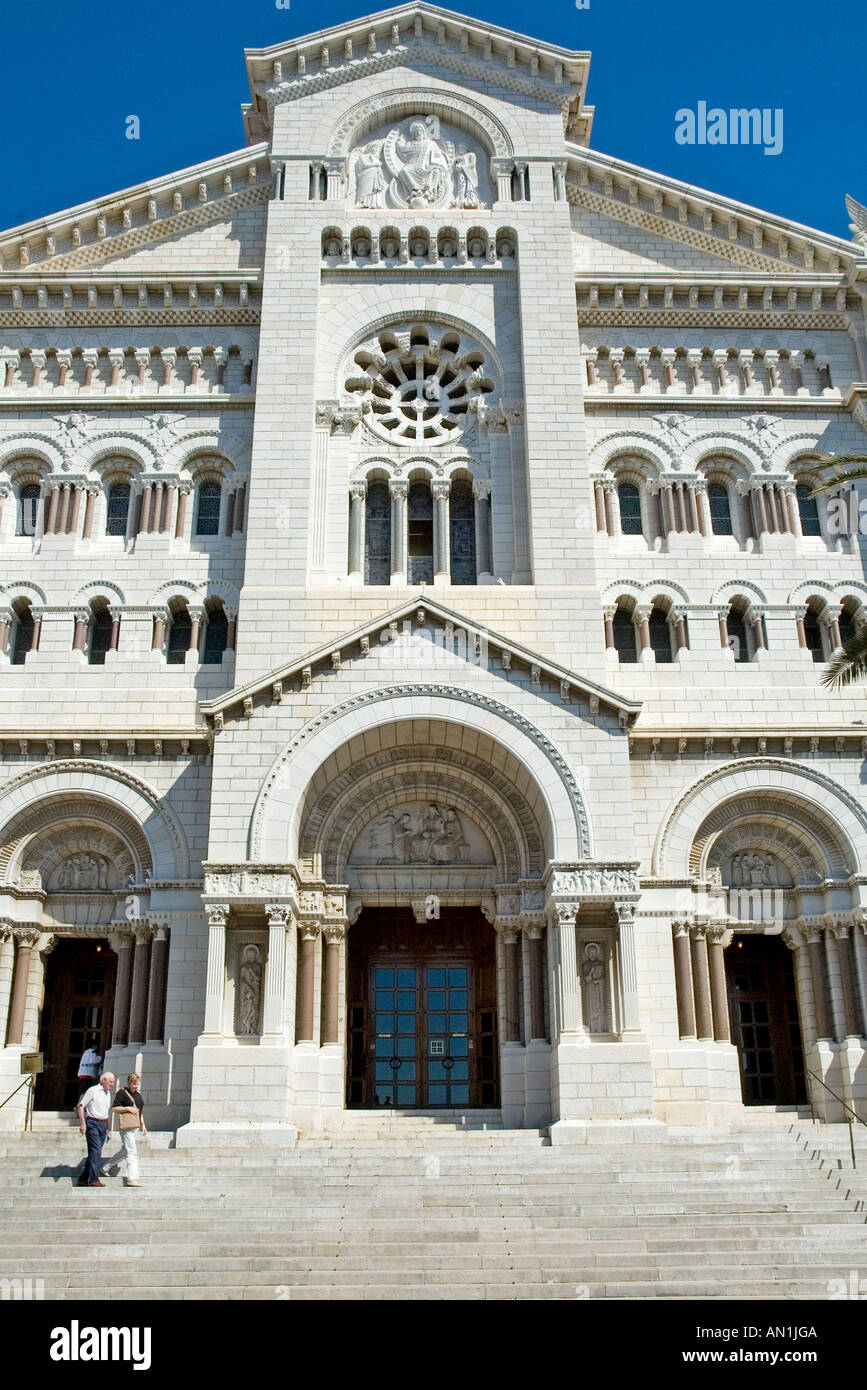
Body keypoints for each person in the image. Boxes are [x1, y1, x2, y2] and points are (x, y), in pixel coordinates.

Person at [76, 1072, 115, 1187]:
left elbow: (105, 1112)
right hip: (92, 1123)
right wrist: (82, 1123)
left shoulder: (108, 1094)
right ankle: (93, 1179)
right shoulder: (93, 1090)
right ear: (103, 1080)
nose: (112, 1084)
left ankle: (83, 1178)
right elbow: (81, 1105)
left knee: (94, 1153)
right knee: (96, 1151)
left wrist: (107, 1129)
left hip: (103, 1124)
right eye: (111, 1081)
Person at [110, 1073, 146, 1188]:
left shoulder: (138, 1095)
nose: (136, 1086)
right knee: (131, 1151)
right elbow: (114, 1108)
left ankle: (104, 1168)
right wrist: (127, 1108)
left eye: (137, 1084)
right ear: (129, 1083)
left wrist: (143, 1125)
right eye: (134, 1084)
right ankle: (132, 1178)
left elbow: (140, 1111)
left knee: (126, 1149)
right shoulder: (122, 1093)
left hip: (135, 1126)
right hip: (126, 1127)